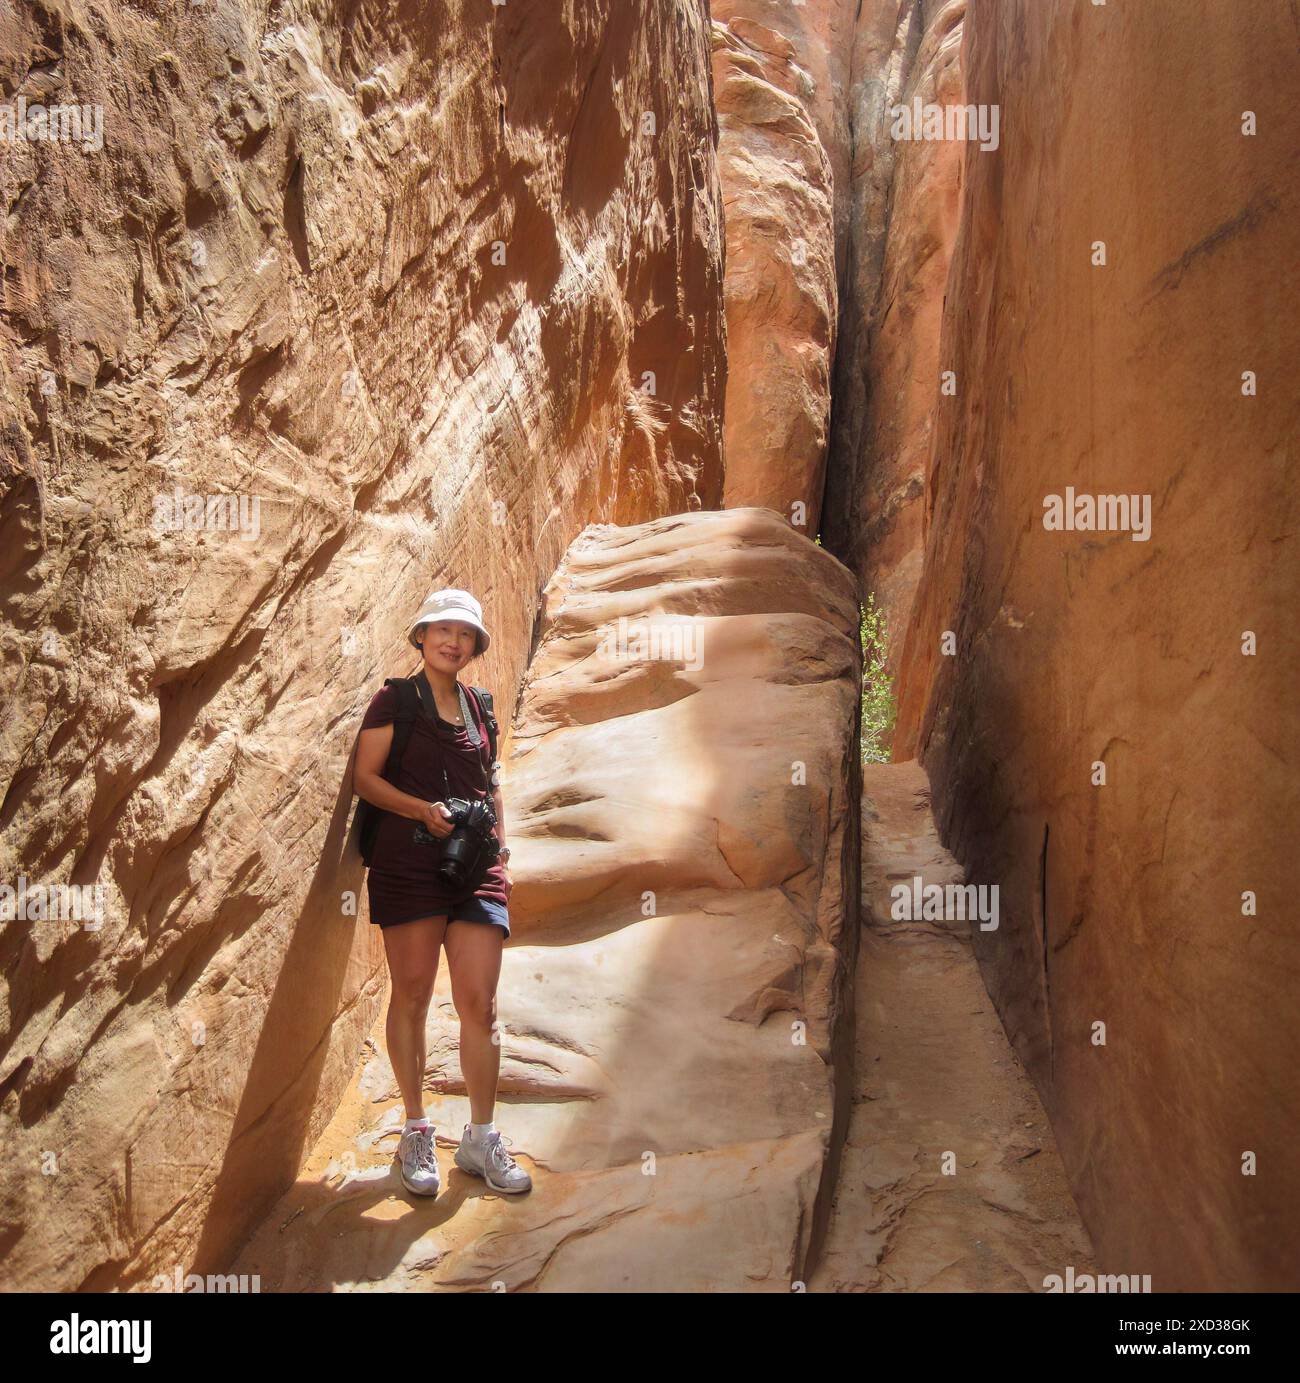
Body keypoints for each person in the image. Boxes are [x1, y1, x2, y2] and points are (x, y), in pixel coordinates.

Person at [352, 588, 531, 1198]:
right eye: (442, 631)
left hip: (473, 866)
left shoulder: (480, 706)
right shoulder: (394, 699)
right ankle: (416, 1128)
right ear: (422, 636)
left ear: (474, 646)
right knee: (413, 993)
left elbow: (492, 786)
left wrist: (501, 853)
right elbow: (366, 780)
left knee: (480, 1004)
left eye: (464, 634)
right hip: (408, 863)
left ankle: (481, 1137)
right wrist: (422, 811)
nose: (452, 642)